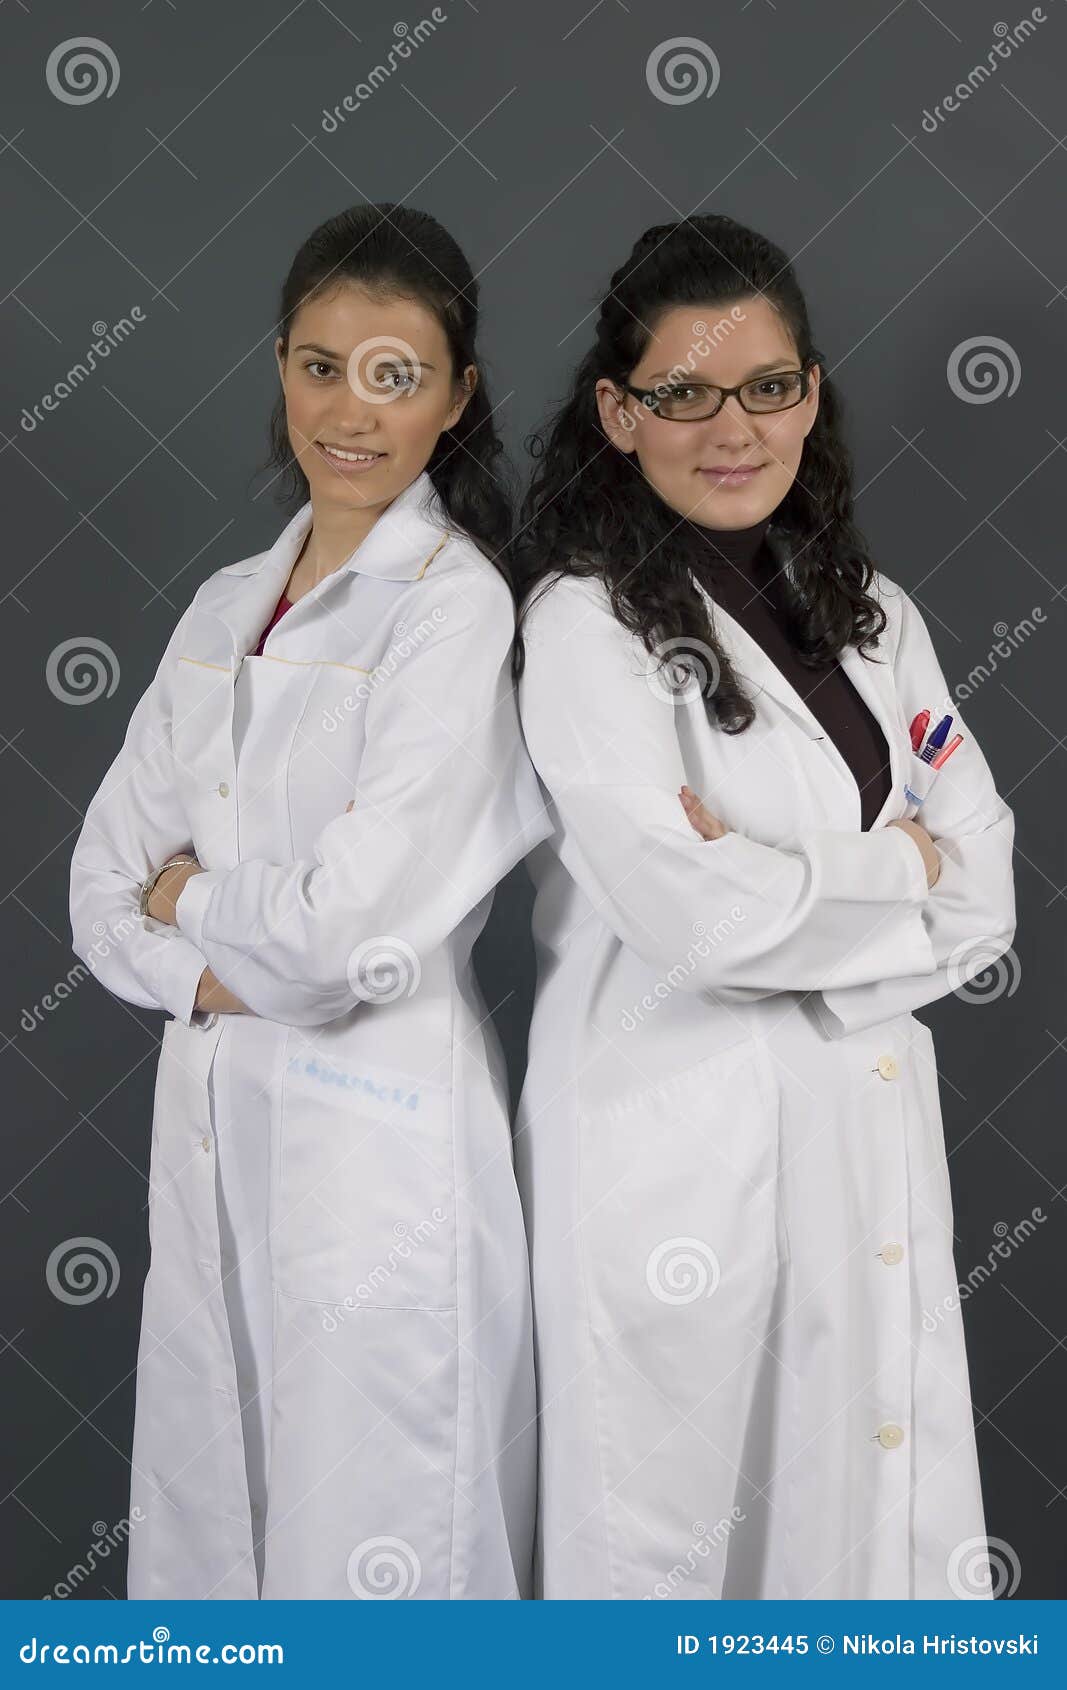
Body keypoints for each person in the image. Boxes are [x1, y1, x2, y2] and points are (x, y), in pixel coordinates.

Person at [512, 214, 1016, 1600]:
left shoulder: (875, 617)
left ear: (811, 392)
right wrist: (897, 865)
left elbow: (988, 888)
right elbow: (699, 924)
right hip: (677, 1154)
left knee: (865, 1538)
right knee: (681, 1558)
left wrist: (808, 880)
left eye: (770, 386)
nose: (732, 428)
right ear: (619, 413)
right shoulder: (581, 631)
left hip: (858, 1143)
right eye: (683, 392)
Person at [68, 202, 550, 1600]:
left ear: (455, 396)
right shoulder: (225, 605)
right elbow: (100, 890)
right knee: (221, 1522)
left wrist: (191, 896)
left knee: (379, 1556)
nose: (352, 409)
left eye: (397, 373)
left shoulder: (455, 610)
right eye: (321, 364)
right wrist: (213, 961)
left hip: (378, 1160)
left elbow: (349, 937)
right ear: (280, 368)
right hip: (219, 1138)